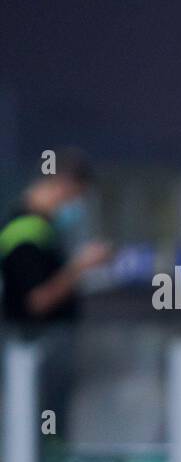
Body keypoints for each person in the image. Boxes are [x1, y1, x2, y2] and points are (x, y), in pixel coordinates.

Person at [0, 148, 111, 421]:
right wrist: (80, 267)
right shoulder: (26, 231)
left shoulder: (42, 229)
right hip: (34, 353)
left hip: (38, 355)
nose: (77, 205)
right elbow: (36, 300)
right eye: (77, 196)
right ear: (63, 186)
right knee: (40, 435)